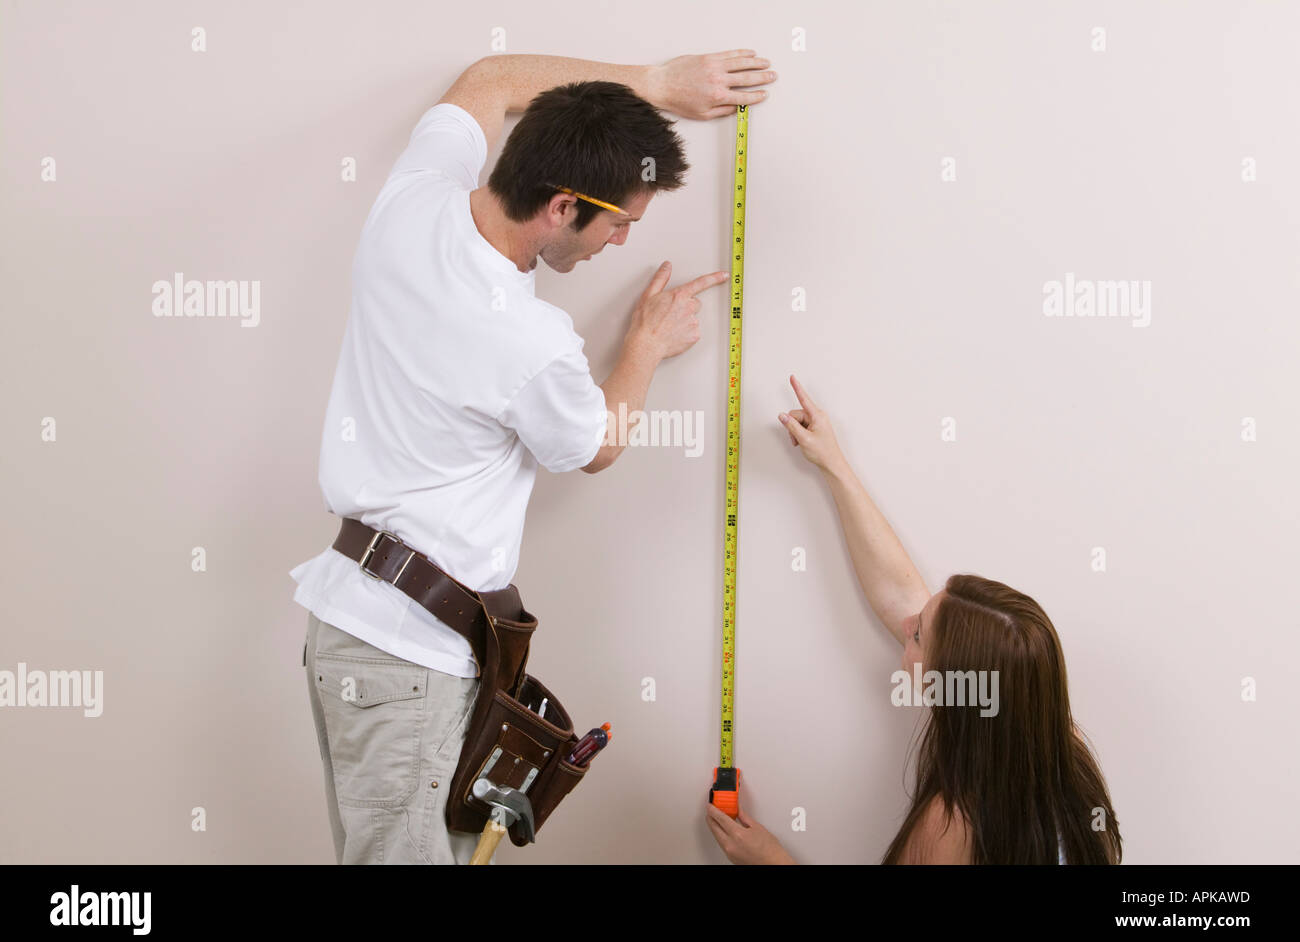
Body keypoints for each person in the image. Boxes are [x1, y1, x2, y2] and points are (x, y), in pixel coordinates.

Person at [290, 51, 779, 864]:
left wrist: (652, 86)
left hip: (352, 626)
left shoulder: (413, 201)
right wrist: (646, 347)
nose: (621, 240)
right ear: (561, 207)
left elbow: (486, 81)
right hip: (407, 662)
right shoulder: (528, 339)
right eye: (619, 222)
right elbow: (598, 444)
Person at [705, 375, 1123, 865]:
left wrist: (770, 860)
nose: (906, 625)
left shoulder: (951, 829)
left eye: (919, 635)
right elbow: (902, 595)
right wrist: (833, 464)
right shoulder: (1058, 750)